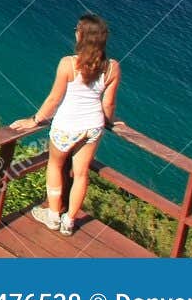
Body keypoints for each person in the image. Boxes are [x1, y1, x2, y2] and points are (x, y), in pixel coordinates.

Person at [9, 13, 121, 237]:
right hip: (93, 127)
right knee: (81, 174)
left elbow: (53, 99)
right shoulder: (112, 67)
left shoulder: (68, 64)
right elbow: (108, 103)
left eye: (76, 30)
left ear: (81, 36)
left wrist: (34, 120)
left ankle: (52, 216)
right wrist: (109, 122)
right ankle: (69, 221)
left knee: (55, 166)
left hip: (66, 127)